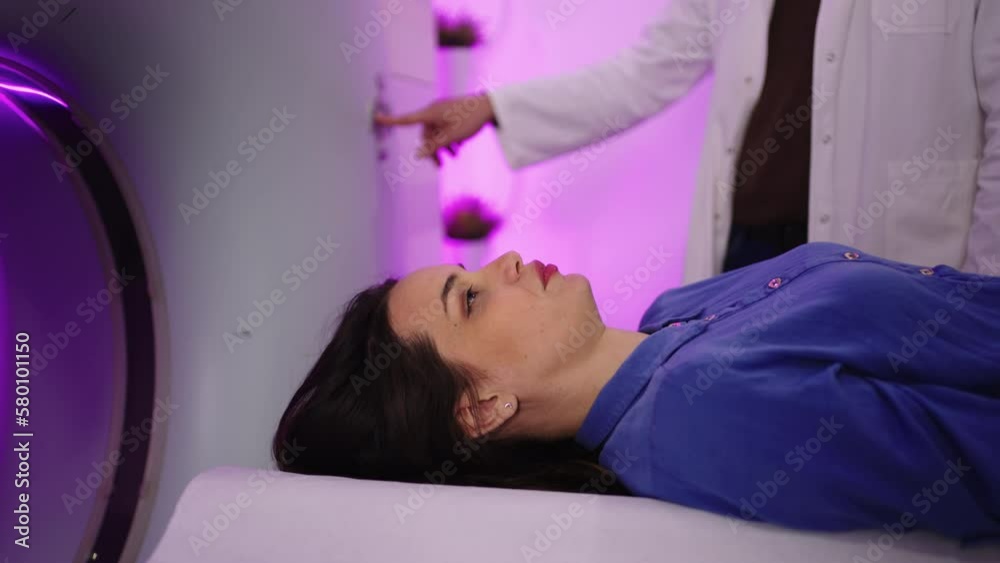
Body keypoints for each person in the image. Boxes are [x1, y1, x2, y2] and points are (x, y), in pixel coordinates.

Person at [273, 241, 1000, 540]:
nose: (509, 260)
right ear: (483, 407)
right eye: (471, 299)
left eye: (474, 267)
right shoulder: (701, 414)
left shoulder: (670, 312)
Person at [375, 0, 1000, 283]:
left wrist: (986, 284)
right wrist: (490, 107)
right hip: (749, 255)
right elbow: (641, 74)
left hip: (893, 260)